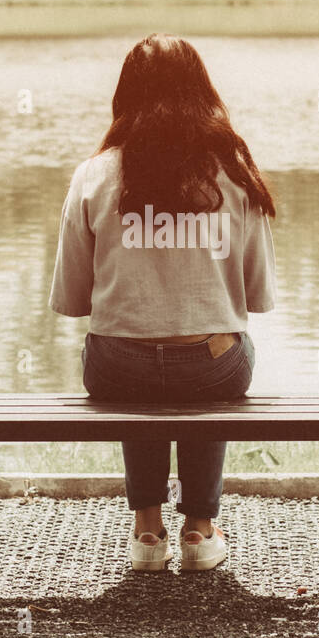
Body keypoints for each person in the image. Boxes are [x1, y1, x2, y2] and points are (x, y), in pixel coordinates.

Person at [49, 33, 278, 573]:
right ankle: (200, 529)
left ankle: (146, 531)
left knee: (134, 364)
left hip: (117, 367)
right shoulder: (236, 176)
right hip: (211, 364)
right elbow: (260, 295)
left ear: (126, 95)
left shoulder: (93, 175)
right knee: (215, 358)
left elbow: (72, 299)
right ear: (202, 91)